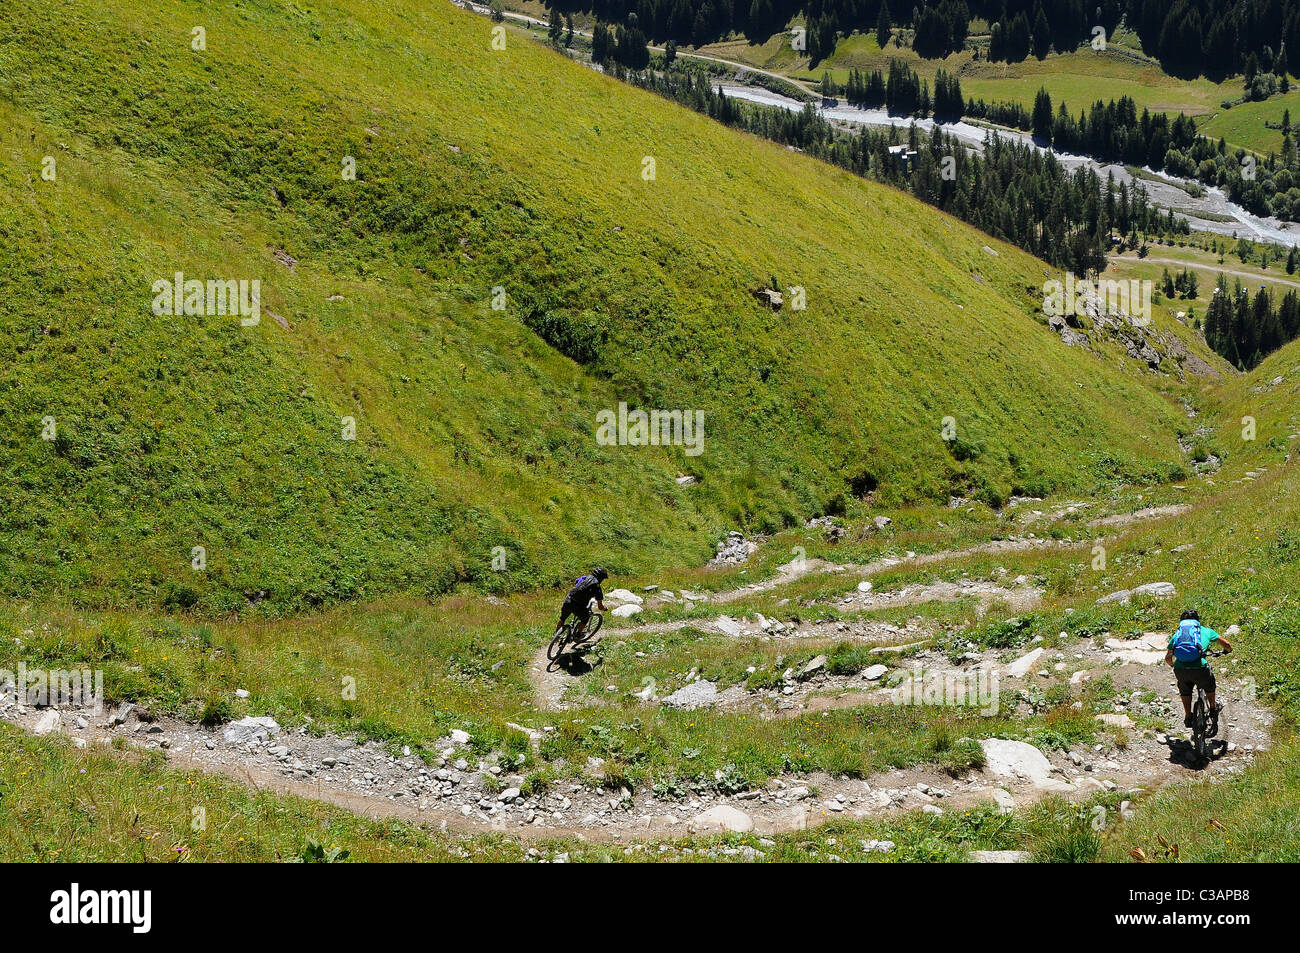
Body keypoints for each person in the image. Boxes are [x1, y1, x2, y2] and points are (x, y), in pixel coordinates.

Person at [1165, 609, 1233, 732]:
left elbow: (1168, 658)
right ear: (1198, 621)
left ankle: (1188, 716)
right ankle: (1212, 709)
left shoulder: (1177, 635)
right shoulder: (1206, 631)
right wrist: (1227, 650)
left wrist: (1174, 666)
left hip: (1181, 670)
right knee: (1209, 684)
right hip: (1200, 668)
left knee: (1185, 689)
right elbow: (1226, 644)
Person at [554, 567, 608, 642]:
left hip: (569, 599)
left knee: (563, 618)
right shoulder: (597, 587)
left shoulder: (584, 577)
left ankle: (556, 634)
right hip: (578, 606)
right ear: (601, 578)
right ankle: (578, 634)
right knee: (585, 619)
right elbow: (600, 606)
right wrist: (605, 608)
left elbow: (576, 582)